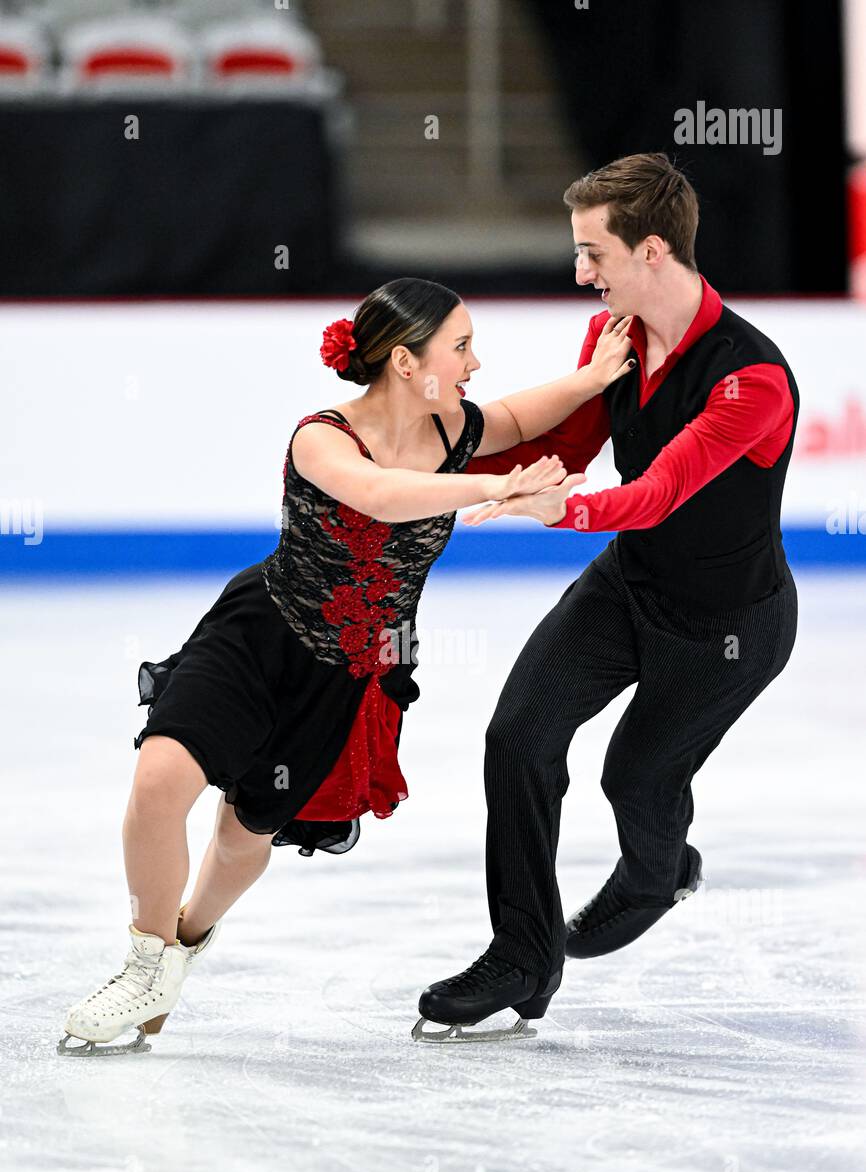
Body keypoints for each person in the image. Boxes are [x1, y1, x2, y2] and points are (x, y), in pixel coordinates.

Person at [57, 276, 634, 1055]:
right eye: (460, 346)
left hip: (351, 671)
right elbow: (384, 495)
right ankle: (144, 961)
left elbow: (527, 411)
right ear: (405, 361)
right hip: (261, 635)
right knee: (160, 783)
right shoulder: (322, 437)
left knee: (242, 830)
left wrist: (595, 377)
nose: (475, 362)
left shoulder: (458, 425)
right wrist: (500, 484)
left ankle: (183, 945)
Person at [414, 153, 799, 1044]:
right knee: (519, 738)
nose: (580, 272)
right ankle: (522, 956)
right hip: (629, 586)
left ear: (653, 250)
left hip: (727, 627)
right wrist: (440, 474)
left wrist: (559, 510)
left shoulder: (753, 379)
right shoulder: (612, 338)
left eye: (594, 254)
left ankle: (659, 874)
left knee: (635, 776)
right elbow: (575, 443)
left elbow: (660, 491)